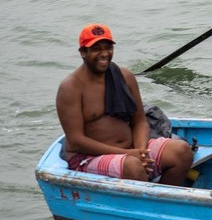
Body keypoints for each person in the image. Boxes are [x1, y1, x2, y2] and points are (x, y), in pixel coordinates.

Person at [55, 24, 194, 185]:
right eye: (96, 49)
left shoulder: (125, 76)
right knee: (133, 166)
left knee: (182, 151)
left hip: (131, 151)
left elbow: (140, 121)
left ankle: (162, 202)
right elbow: (76, 140)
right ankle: (146, 204)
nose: (104, 53)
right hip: (88, 158)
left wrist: (141, 152)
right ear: (83, 53)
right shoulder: (71, 87)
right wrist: (128, 154)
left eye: (108, 48)